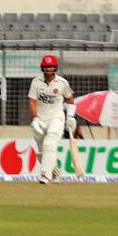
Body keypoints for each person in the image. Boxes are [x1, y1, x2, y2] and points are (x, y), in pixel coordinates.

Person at [28, 54, 76, 183]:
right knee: (43, 150)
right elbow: (32, 101)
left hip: (56, 118)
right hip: (40, 119)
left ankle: (45, 175)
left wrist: (70, 116)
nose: (49, 69)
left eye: (51, 67)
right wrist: (35, 118)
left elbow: (70, 99)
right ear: (42, 68)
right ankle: (54, 173)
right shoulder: (36, 82)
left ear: (55, 68)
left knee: (50, 142)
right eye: (46, 67)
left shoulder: (62, 83)